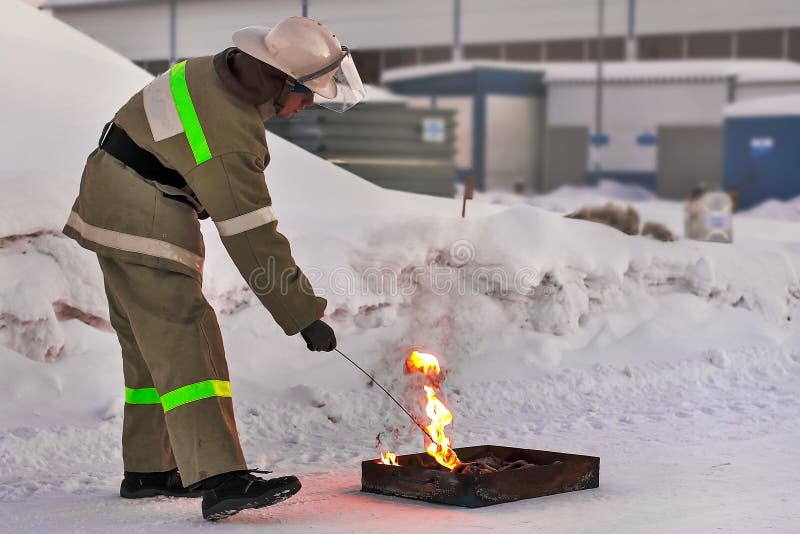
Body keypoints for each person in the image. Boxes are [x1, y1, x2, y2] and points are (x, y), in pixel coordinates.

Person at [62, 16, 366, 521]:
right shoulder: (231, 133)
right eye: (308, 93)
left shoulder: (212, 72)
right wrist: (303, 314)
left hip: (108, 198)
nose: (308, 105)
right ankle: (222, 478)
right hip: (143, 214)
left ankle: (151, 469)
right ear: (278, 82)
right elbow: (253, 237)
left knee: (147, 348)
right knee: (187, 336)